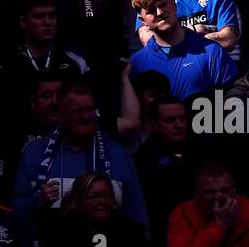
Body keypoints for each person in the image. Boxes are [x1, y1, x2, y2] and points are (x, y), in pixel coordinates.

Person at [12, 80, 148, 235]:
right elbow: (15, 211)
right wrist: (38, 202)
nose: (86, 117)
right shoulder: (34, 153)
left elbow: (138, 215)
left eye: (90, 110)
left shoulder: (118, 154)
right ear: (61, 115)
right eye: (77, 111)